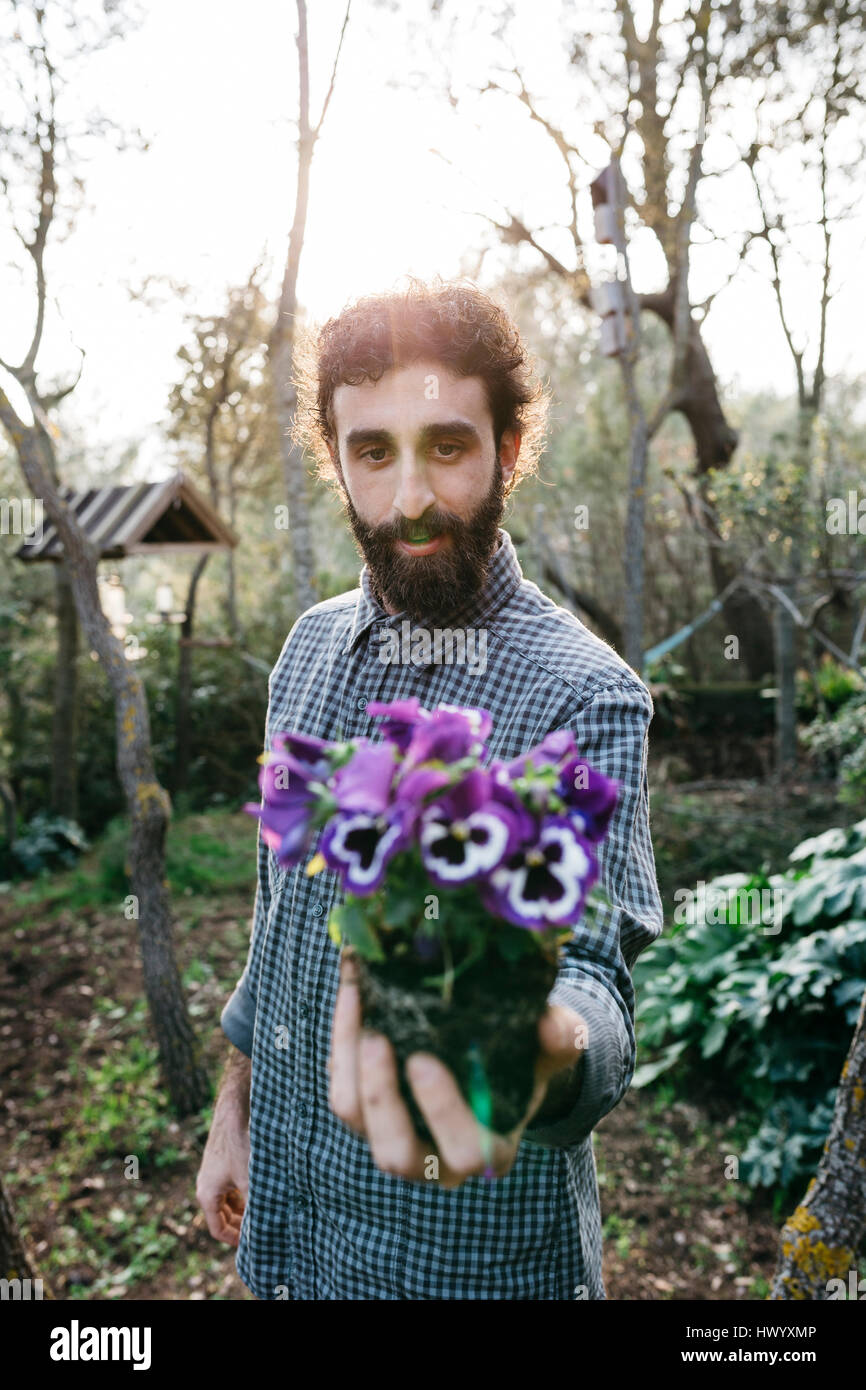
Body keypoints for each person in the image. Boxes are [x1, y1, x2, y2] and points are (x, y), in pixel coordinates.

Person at [195, 278, 664, 1300]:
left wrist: (539, 1046)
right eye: (373, 452)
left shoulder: (583, 694)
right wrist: (233, 1119)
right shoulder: (307, 651)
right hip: (288, 1246)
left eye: (445, 445)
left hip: (461, 1271)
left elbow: (592, 973)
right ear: (336, 459)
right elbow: (276, 922)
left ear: (508, 445)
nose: (408, 498)